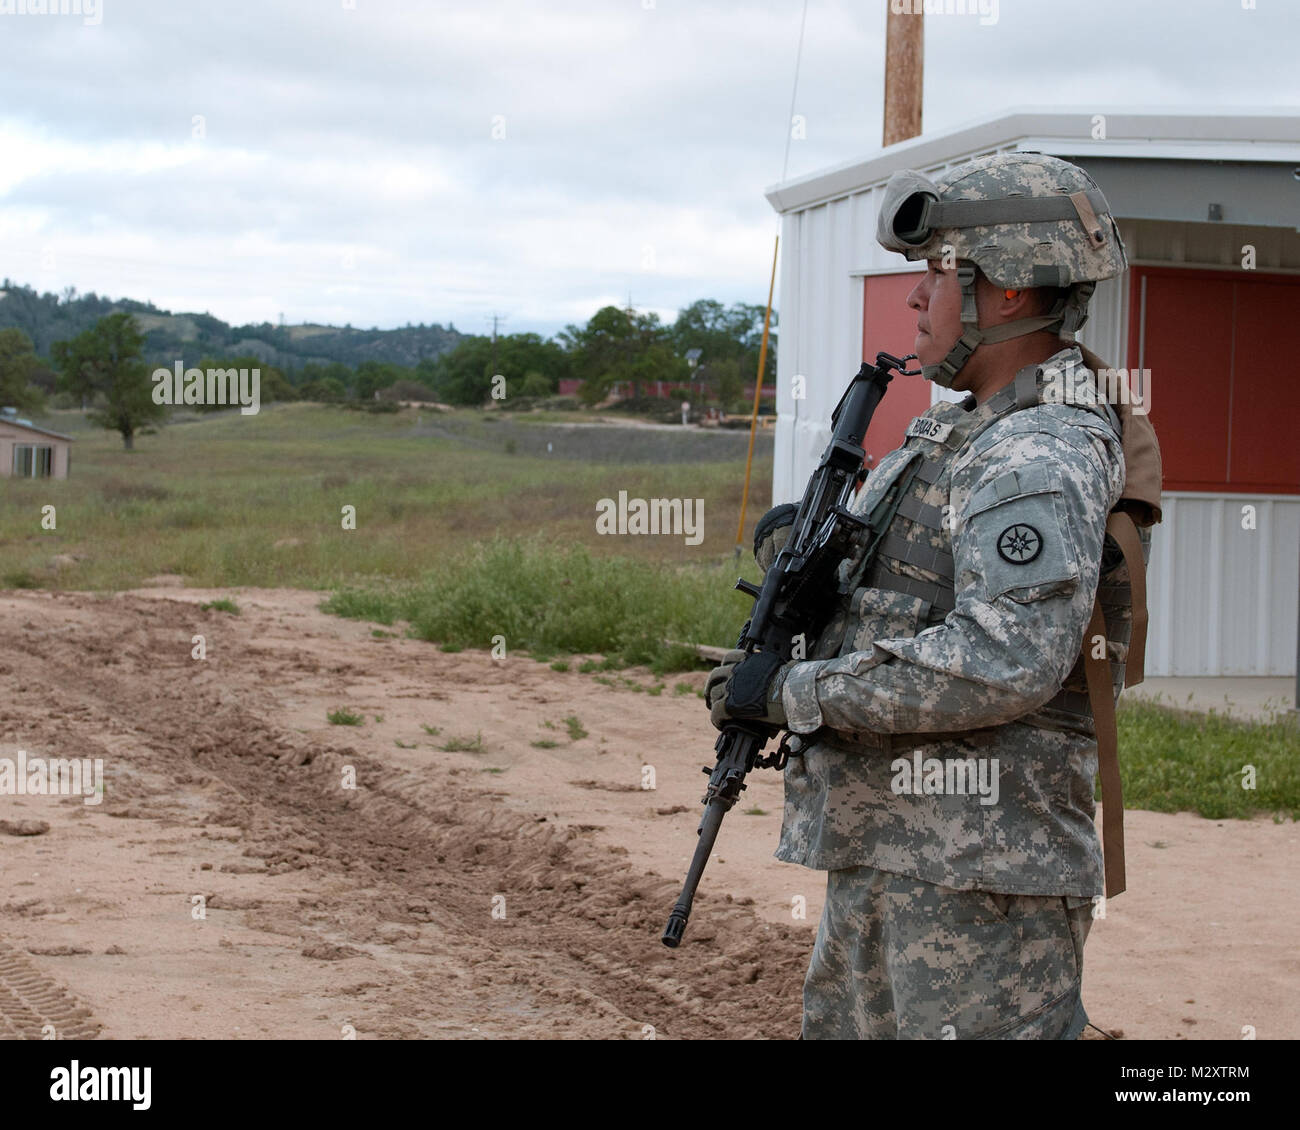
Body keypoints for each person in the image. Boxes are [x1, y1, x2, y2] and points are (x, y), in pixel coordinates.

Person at [705, 151, 1160, 1040]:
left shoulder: (1038, 447)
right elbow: (908, 591)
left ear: (1012, 293)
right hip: (906, 849)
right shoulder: (963, 425)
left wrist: (799, 695)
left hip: (980, 876)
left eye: (936, 275)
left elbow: (1005, 657)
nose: (916, 300)